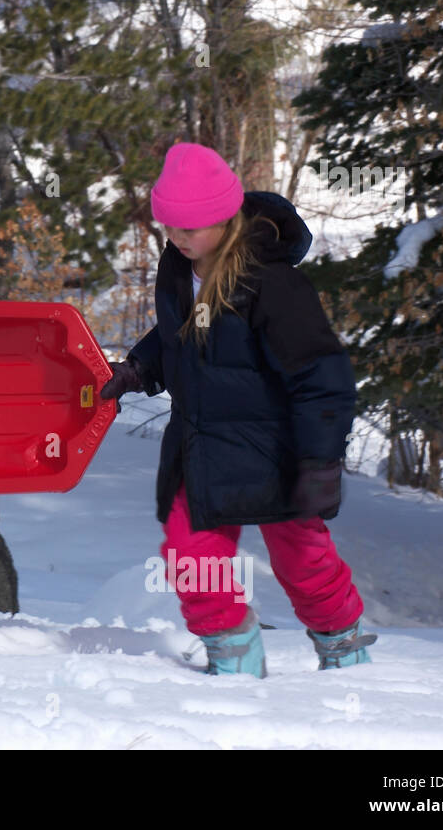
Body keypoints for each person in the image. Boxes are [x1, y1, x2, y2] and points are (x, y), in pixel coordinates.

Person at [101, 142, 377, 676]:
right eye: (171, 227)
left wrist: (321, 462)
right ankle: (234, 655)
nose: (179, 239)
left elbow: (325, 377)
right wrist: (140, 367)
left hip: (277, 448)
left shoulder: (274, 284)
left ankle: (344, 643)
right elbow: (179, 335)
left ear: (225, 220)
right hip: (202, 446)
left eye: (191, 228)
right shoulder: (178, 268)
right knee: (190, 556)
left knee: (304, 560)